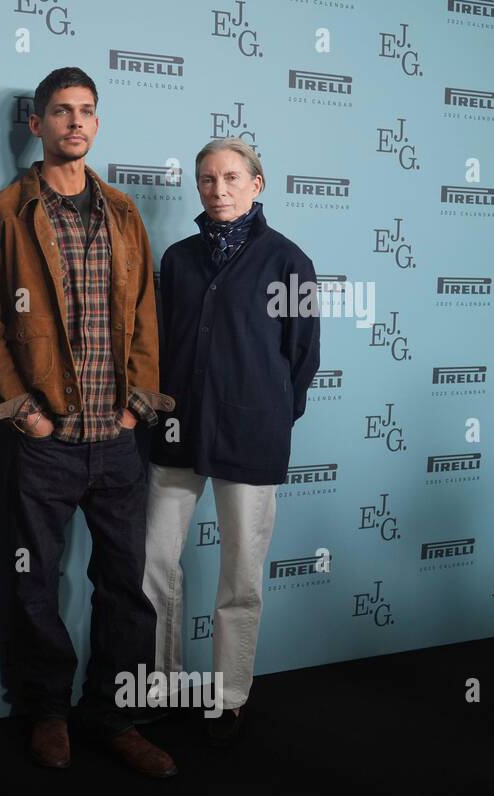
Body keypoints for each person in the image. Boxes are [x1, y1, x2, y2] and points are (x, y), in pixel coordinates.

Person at [0, 67, 177, 778]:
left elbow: (147, 314)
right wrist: (24, 411)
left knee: (126, 585)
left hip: (117, 441)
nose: (75, 122)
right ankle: (48, 713)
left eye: (86, 110)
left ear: (96, 122)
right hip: (46, 443)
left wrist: (136, 408)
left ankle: (115, 717)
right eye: (61, 111)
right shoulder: (6, 211)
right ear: (36, 124)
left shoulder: (122, 210)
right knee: (33, 583)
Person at [144, 137, 320, 747]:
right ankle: (161, 685)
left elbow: (302, 356)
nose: (217, 190)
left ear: (256, 184)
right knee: (154, 561)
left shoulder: (290, 261)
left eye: (230, 178)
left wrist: (268, 415)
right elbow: (163, 341)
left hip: (251, 434)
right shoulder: (178, 259)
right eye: (206, 179)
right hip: (177, 430)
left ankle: (229, 695)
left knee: (240, 573)